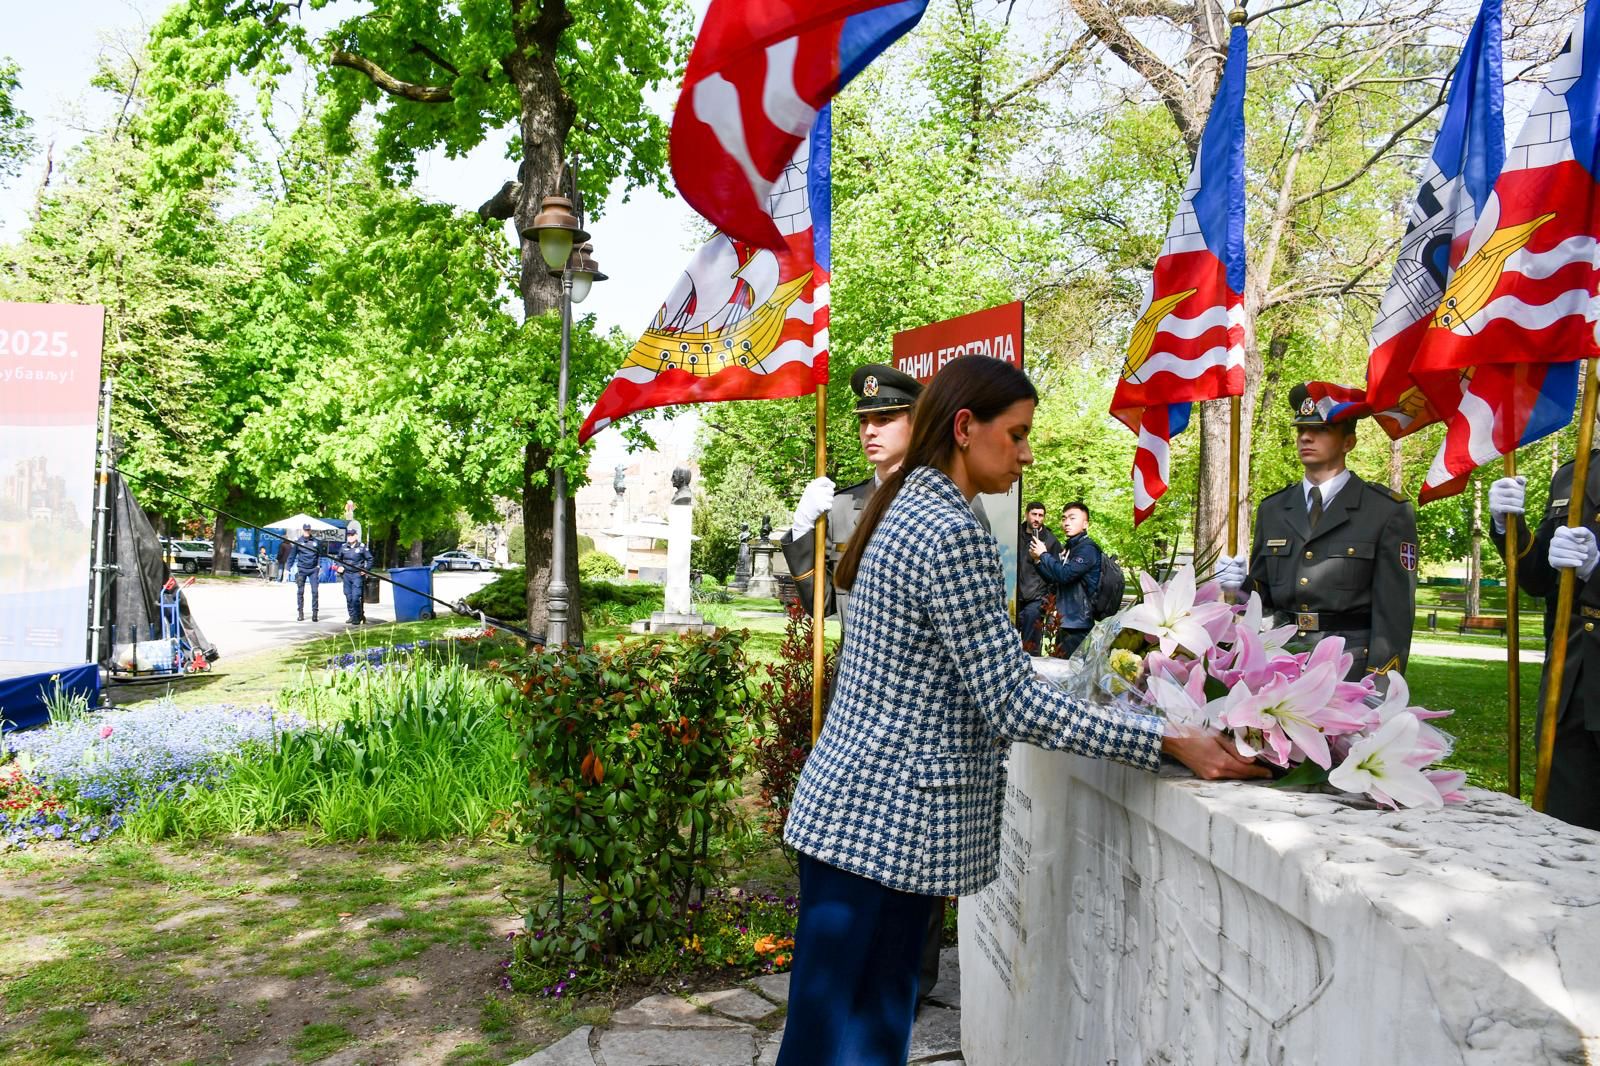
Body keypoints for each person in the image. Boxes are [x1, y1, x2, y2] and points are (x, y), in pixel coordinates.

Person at [775, 357, 1268, 1066]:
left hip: (860, 822)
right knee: (844, 1045)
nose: (1028, 453)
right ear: (965, 428)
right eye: (1017, 434)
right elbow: (1011, 702)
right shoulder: (950, 531)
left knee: (850, 1041)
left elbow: (981, 674)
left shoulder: (909, 504)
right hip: (880, 830)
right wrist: (1164, 737)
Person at [1216, 384, 1418, 683]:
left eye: (1321, 430)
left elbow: (1395, 612)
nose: (1305, 437)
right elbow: (1262, 597)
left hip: (1348, 668)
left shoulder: (1385, 511)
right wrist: (1237, 585)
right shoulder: (1274, 509)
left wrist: (1377, 686)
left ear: (1348, 442)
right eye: (1301, 430)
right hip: (1280, 662)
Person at [1487, 441, 1600, 831]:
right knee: (1568, 828)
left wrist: (1596, 571)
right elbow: (1539, 579)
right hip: (1571, 680)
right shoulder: (1573, 473)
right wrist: (1508, 526)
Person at [782, 364, 922, 632]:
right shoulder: (842, 508)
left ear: (917, 425)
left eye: (884, 419)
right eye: (863, 421)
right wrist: (802, 528)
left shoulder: (948, 501)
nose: (869, 431)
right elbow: (822, 604)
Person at [1035, 501, 1102, 659]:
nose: (1066, 523)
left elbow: (1065, 574)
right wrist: (1038, 561)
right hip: (1066, 621)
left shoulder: (1087, 549)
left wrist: (1044, 554)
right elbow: (1056, 579)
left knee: (1073, 669)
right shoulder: (1072, 548)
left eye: (1072, 518)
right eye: (1064, 518)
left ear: (1085, 524)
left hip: (1079, 624)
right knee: (1062, 667)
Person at [1016, 501, 1061, 651]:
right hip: (1013, 598)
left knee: (1031, 647)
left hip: (1036, 600)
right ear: (1026, 514)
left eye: (1041, 515)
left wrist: (1048, 599)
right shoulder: (1014, 533)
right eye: (1034, 514)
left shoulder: (1051, 541)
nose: (1037, 518)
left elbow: (1056, 571)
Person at [334, 526, 374, 626]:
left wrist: (366, 569)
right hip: (346, 574)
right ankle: (352, 616)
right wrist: (339, 566)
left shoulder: (362, 547)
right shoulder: (343, 547)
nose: (350, 537)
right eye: (348, 535)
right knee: (348, 596)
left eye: (352, 535)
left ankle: (357, 617)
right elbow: (338, 559)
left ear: (356, 536)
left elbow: (370, 559)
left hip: (357, 574)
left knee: (356, 597)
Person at [291, 522, 323, 621]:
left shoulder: (316, 542)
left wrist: (319, 566)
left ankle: (315, 614)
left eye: (308, 530)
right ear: (303, 530)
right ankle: (300, 613)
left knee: (315, 592)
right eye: (305, 530)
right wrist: (287, 568)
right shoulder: (298, 542)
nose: (307, 531)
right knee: (300, 592)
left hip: (313, 569)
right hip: (302, 569)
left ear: (310, 530)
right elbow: (292, 555)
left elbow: (320, 554)